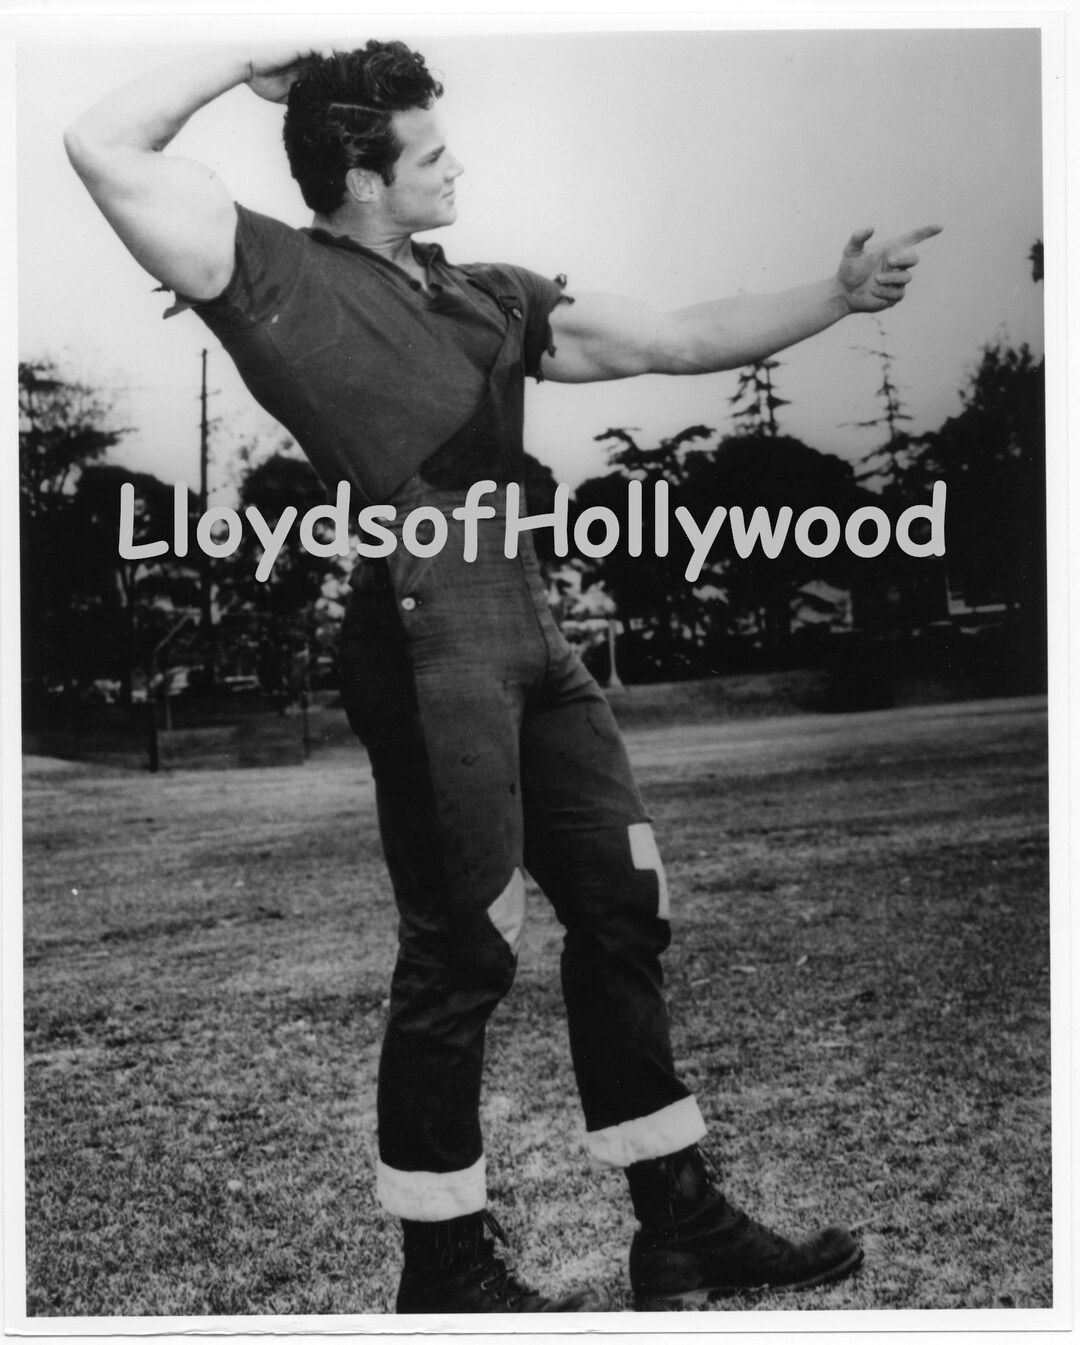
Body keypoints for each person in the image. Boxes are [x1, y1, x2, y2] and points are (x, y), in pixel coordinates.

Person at [65, 40, 940, 1314]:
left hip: (530, 624)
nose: (458, 164)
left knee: (623, 899)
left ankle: (678, 1223)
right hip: (424, 629)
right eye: (429, 152)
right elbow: (102, 145)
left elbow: (677, 334)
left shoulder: (490, 293)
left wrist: (838, 293)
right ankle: (447, 1271)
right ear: (362, 177)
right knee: (465, 950)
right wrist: (248, 61)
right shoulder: (264, 271)